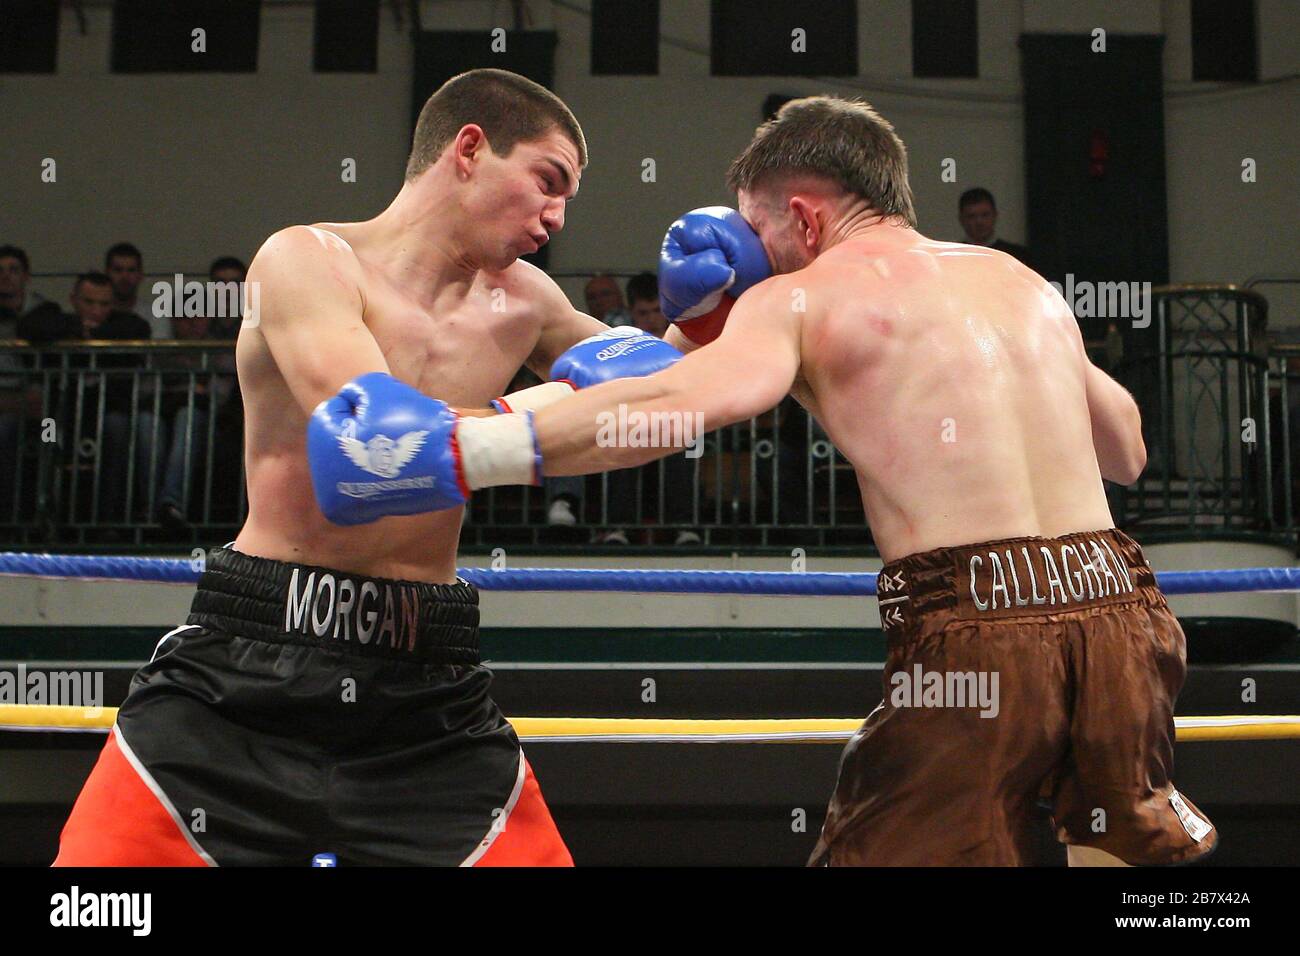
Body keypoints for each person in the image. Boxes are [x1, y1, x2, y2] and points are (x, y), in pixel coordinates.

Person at [420, 96, 1217, 867]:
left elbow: (676, 410)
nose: (750, 252)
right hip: (1124, 606)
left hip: (980, 626)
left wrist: (467, 448)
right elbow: (1128, 451)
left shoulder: (798, 296)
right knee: (1112, 846)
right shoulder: (1019, 280)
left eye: (756, 229)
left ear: (803, 218)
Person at [54, 68, 683, 866]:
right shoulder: (307, 260)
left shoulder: (529, 301)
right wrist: (540, 420)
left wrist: (715, 321)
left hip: (427, 688)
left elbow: (668, 405)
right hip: (243, 675)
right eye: (547, 181)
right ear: (469, 149)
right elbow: (373, 444)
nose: (556, 217)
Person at [957, 187, 1033, 267]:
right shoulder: (953, 256)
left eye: (985, 215)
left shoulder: (1016, 255)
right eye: (972, 216)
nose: (979, 222)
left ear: (995, 215)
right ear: (961, 219)